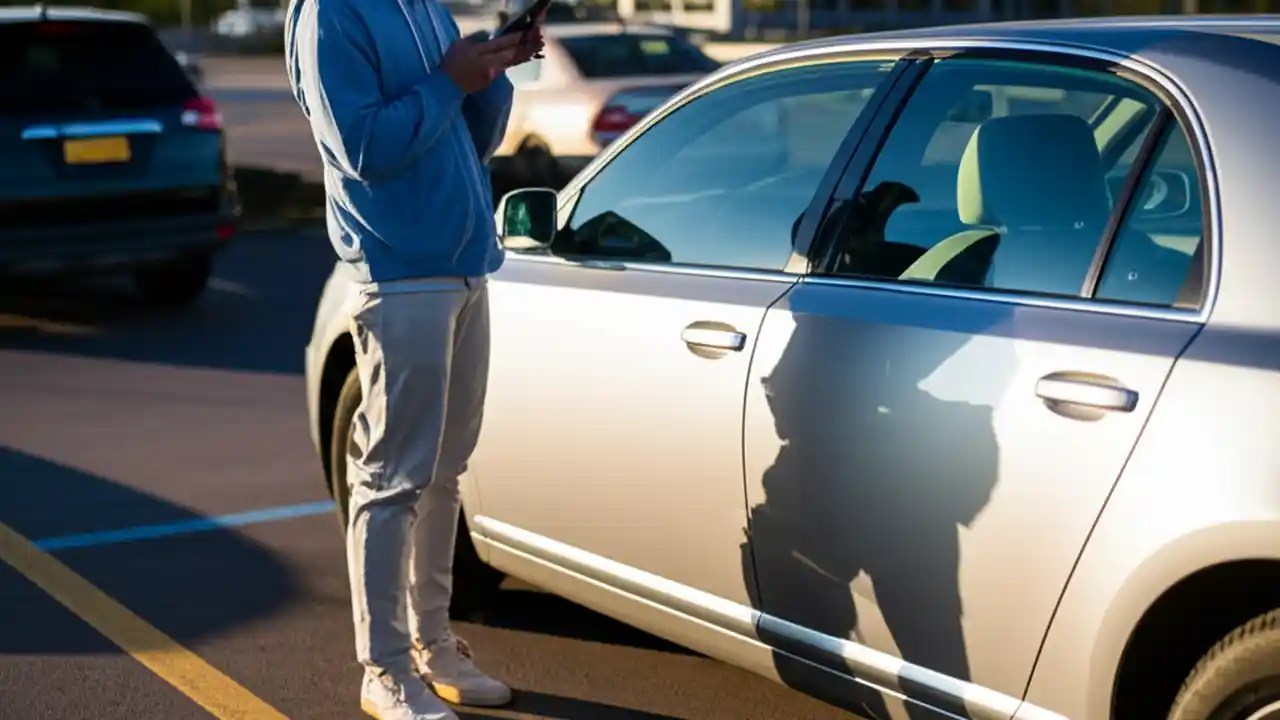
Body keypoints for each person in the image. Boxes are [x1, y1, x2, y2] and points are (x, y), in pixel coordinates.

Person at [284, 0, 543, 717]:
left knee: (444, 473)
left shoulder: (425, 7)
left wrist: (492, 70)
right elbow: (361, 147)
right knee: (392, 477)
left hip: (465, 265)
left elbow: (473, 139)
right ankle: (386, 670)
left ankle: (433, 643)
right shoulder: (329, 17)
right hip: (400, 275)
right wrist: (449, 82)